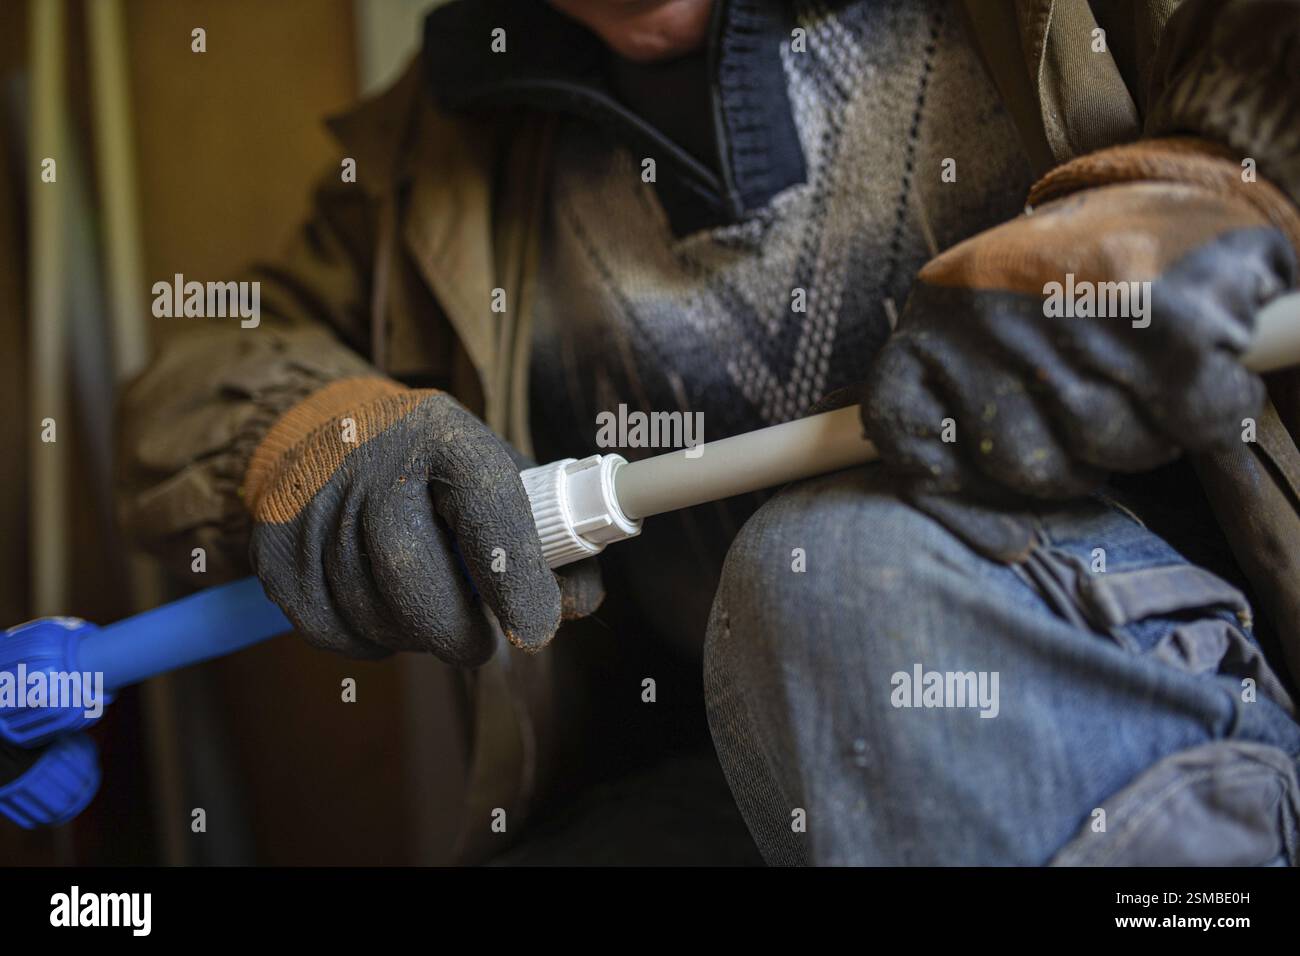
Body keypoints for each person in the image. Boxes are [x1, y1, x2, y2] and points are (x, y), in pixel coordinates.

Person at [118, 0, 1300, 864]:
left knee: (833, 578)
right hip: (721, 774)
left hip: (1164, 717)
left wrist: (1183, 199)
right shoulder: (443, 126)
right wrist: (312, 434)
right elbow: (219, 350)